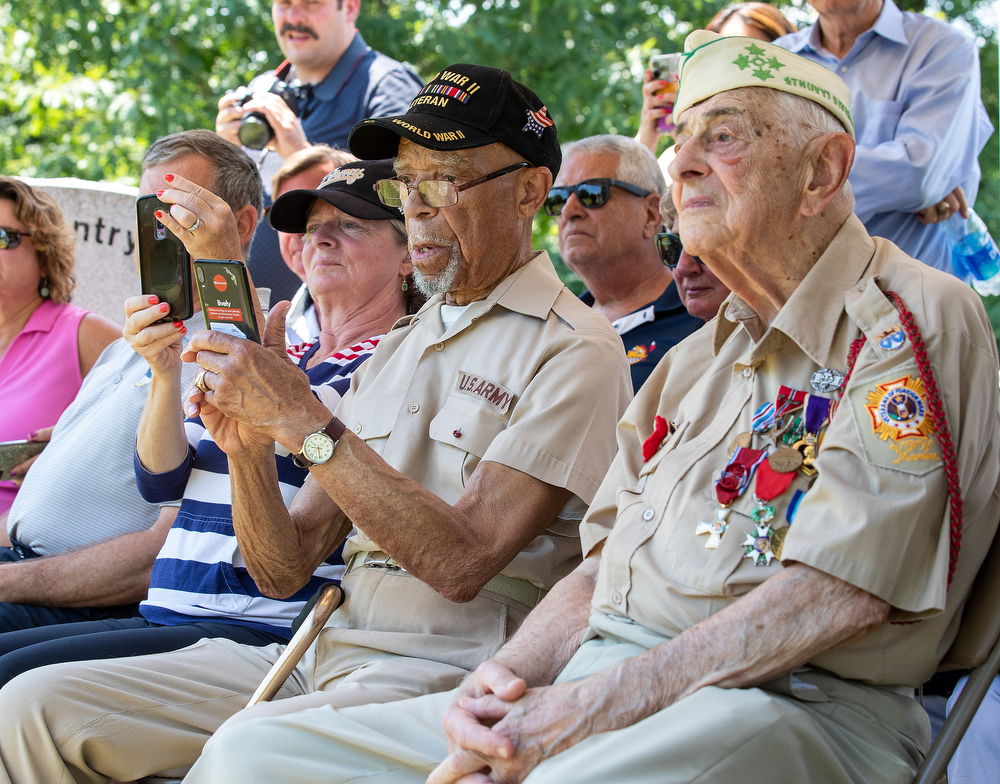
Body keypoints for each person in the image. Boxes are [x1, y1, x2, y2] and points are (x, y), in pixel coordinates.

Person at [181, 33, 1000, 784]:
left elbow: (840, 594)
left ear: (822, 171)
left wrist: (586, 706)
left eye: (724, 138)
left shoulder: (906, 320)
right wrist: (500, 687)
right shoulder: (693, 364)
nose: (682, 164)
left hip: (786, 701)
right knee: (253, 756)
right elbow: (597, 571)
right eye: (682, 140)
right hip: (600, 683)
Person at [0, 64, 632, 784]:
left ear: (528, 191)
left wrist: (302, 422)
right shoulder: (405, 342)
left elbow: (466, 561)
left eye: (445, 179)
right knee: (28, 708)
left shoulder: (572, 346)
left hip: (445, 668)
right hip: (313, 645)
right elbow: (283, 567)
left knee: (247, 758)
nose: (418, 206)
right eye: (407, 182)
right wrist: (245, 446)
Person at [0, 158, 415, 689]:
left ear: (407, 255)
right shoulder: (283, 350)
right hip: (170, 605)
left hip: (252, 624)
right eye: (313, 228)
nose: (323, 239)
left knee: (10, 673)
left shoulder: (392, 363)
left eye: (351, 225)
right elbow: (160, 482)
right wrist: (166, 372)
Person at [0, 131, 261, 634]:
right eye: (149, 208)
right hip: (24, 565)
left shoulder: (237, 348)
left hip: (83, 602)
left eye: (180, 207)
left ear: (242, 224)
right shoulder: (134, 336)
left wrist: (9, 581)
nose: (158, 227)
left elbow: (163, 548)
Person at [217, 0, 423, 304]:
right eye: (284, 4)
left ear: (350, 8)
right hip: (261, 312)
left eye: (311, 4)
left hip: (351, 326)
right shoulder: (265, 87)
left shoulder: (385, 86)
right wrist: (227, 154)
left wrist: (300, 153)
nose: (295, 17)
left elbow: (409, 195)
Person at [774, 0, 994, 277]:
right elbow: (745, 169)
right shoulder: (776, 59)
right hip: (795, 290)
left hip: (910, 298)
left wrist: (787, 185)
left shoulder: (943, 48)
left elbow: (919, 174)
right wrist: (891, 181)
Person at [0, 178, 120, 515]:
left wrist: (71, 456)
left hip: (28, 546)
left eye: (2, 237)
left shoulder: (82, 333)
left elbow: (153, 436)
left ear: (43, 250)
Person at [550, 135, 701, 390]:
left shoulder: (702, 315)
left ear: (651, 214)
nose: (568, 210)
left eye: (592, 193)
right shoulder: (552, 327)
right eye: (558, 198)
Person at [637, 2, 797, 154]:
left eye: (747, 59)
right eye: (719, 61)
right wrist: (646, 143)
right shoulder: (675, 161)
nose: (730, 77)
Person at [270, 144, 357, 344]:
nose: (303, 231)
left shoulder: (422, 327)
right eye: (286, 215)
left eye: (318, 211)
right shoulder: (273, 335)